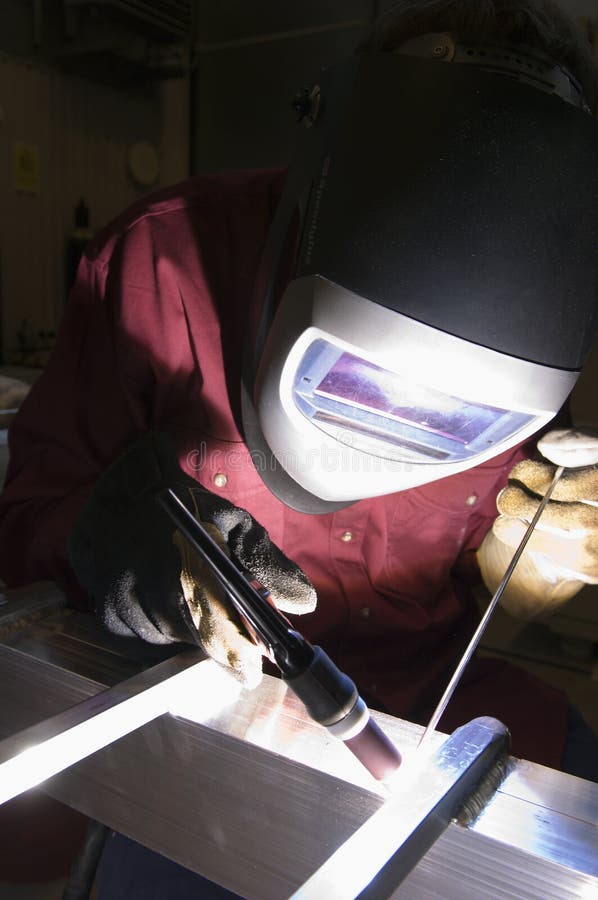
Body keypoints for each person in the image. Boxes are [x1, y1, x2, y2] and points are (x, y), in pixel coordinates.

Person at [1, 1, 598, 896]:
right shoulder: (159, 262)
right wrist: (116, 547)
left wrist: (529, 583)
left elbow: (494, 578)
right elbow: (23, 534)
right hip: (205, 715)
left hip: (430, 704)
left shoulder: (533, 317)